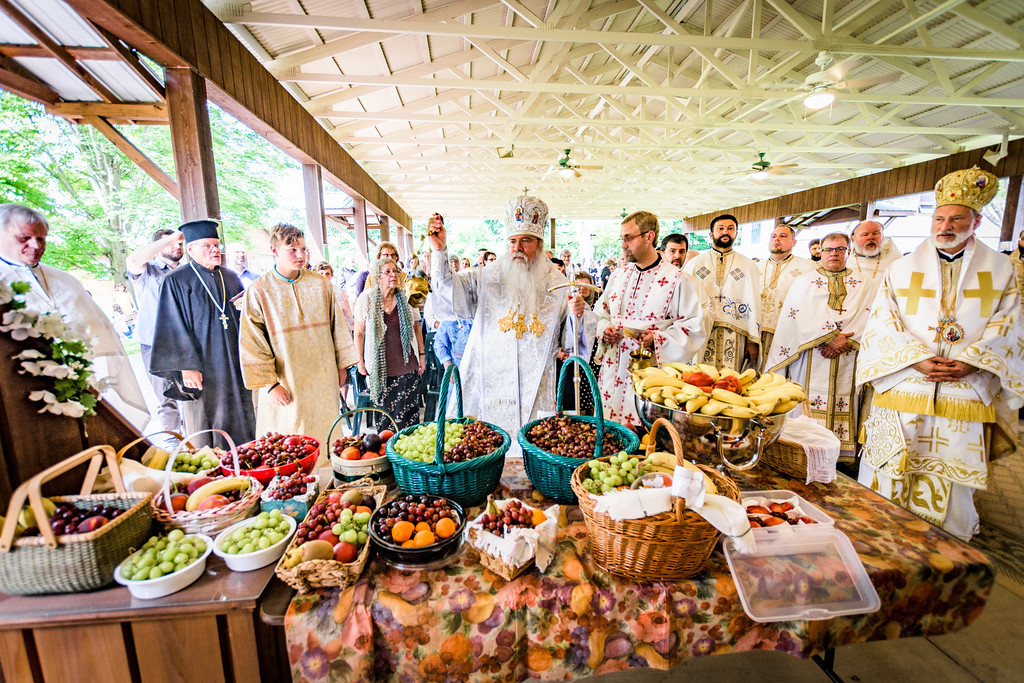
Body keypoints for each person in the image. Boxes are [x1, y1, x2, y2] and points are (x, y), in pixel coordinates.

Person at [857, 167, 1024, 541]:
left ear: (976, 221)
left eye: (957, 219)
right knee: (889, 463)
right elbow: (883, 320)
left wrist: (972, 361)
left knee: (950, 472)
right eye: (940, 218)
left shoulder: (1001, 270)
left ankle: (945, 541)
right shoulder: (902, 268)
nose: (946, 226)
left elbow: (1010, 322)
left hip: (965, 388)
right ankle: (879, 534)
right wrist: (914, 357)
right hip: (904, 381)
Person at [427, 193, 592, 443]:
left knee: (534, 446)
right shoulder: (486, 276)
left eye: (525, 241)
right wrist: (439, 251)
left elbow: (572, 341)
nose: (517, 248)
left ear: (539, 243)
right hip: (489, 383)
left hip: (536, 387)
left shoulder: (557, 284)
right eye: (513, 241)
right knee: (485, 447)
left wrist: (576, 313)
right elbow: (449, 294)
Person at [0, 204, 148, 420]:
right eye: (24, 237)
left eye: (41, 238)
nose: (35, 245)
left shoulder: (63, 280)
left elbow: (97, 330)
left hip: (80, 383)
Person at [240, 225, 358, 460]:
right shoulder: (259, 291)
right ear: (274, 250)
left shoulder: (321, 284)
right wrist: (271, 385)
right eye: (292, 249)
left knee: (325, 438)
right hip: (286, 381)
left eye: (303, 249)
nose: (301, 255)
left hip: (322, 378)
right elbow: (253, 341)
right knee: (288, 446)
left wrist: (341, 365)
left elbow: (337, 326)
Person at [765, 232, 879, 459]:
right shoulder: (804, 282)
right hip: (809, 356)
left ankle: (840, 455)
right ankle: (802, 452)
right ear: (821, 252)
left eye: (839, 249)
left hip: (849, 354)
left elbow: (872, 315)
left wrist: (844, 340)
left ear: (849, 252)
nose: (833, 254)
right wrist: (829, 337)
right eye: (828, 250)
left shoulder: (866, 284)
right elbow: (795, 317)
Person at [595, 211, 708, 428]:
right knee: (609, 432)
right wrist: (604, 330)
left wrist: (657, 339)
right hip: (613, 372)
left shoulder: (678, 280)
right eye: (622, 238)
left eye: (629, 238)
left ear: (649, 236)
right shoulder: (618, 276)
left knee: (646, 435)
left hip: (651, 374)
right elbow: (601, 313)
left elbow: (693, 327)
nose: (623, 245)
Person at [149, 219, 256, 448]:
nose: (215, 250)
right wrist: (186, 366)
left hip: (233, 361)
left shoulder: (230, 277)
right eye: (207, 246)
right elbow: (172, 325)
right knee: (208, 418)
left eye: (216, 245)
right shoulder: (176, 280)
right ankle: (213, 463)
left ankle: (245, 457)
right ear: (190, 249)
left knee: (242, 412)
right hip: (202, 364)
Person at [126, 228, 187, 436]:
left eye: (180, 243)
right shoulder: (147, 271)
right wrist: (172, 237)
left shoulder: (188, 271)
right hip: (154, 343)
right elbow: (133, 259)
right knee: (165, 396)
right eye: (171, 243)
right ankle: (174, 441)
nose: (177, 246)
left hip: (185, 342)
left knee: (192, 392)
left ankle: (197, 439)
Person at [354, 258, 426, 431]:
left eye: (395, 271)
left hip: (407, 366)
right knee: (386, 420)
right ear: (377, 277)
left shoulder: (407, 296)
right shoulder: (366, 299)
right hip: (381, 370)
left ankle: (409, 448)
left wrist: (422, 356)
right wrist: (360, 361)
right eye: (387, 272)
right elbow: (359, 333)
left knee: (409, 418)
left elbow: (417, 328)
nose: (393, 275)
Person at [684, 214, 761, 371]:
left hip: (736, 334)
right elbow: (685, 301)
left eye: (730, 228)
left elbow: (754, 303)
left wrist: (752, 341)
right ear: (711, 234)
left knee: (731, 380)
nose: (725, 232)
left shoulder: (748, 266)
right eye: (720, 228)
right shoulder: (695, 264)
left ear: (736, 234)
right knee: (700, 376)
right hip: (702, 330)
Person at [758, 224, 814, 362]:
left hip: (789, 333)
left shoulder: (808, 268)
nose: (777, 239)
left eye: (783, 236)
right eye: (774, 236)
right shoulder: (756, 267)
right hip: (757, 333)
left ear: (794, 242)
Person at [849, 220, 901, 287]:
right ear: (853, 238)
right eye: (865, 235)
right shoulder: (845, 261)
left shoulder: (895, 260)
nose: (871, 237)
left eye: (876, 233)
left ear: (883, 236)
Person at [310, 261, 354, 330]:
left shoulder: (340, 293)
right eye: (321, 273)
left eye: (327, 274)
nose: (324, 276)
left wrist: (352, 329)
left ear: (331, 276)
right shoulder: (309, 293)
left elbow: (348, 315)